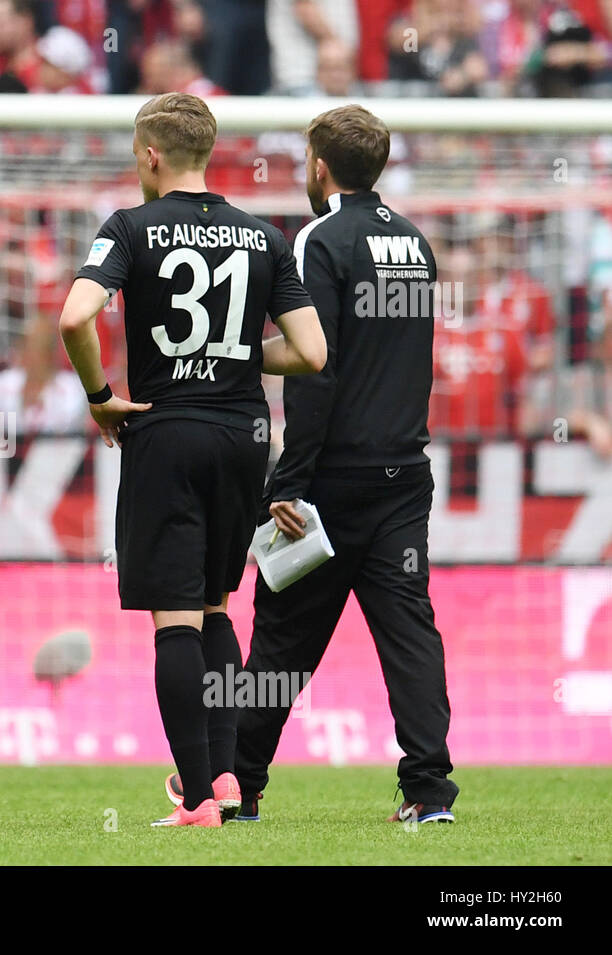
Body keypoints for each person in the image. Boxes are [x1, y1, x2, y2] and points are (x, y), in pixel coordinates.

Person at [59, 93, 325, 828]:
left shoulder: (129, 226)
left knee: (172, 619)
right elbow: (311, 350)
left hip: (165, 429)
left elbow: (75, 315)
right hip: (244, 435)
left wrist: (100, 393)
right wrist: (236, 356)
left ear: (150, 154)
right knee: (217, 608)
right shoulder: (263, 236)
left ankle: (201, 797)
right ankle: (233, 780)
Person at [234, 105, 461, 825]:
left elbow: (315, 369)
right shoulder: (417, 245)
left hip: (332, 476)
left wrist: (291, 478)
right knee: (409, 631)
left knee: (281, 635)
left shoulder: (318, 241)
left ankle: (237, 786)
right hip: (404, 473)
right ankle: (428, 791)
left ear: (320, 166)